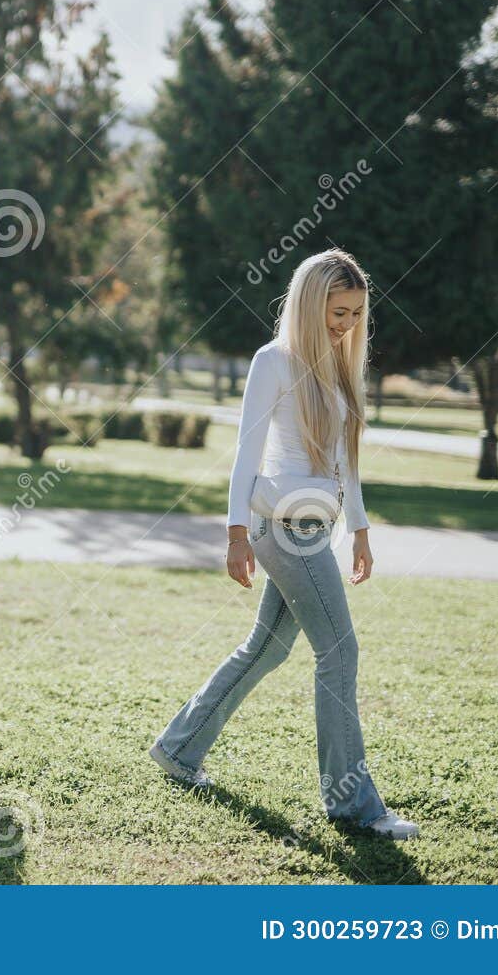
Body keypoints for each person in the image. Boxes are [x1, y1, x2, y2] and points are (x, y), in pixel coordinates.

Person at [150, 249, 419, 840]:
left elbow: (348, 458)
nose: (346, 324)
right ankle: (352, 803)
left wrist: (362, 530)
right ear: (307, 302)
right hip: (282, 530)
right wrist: (235, 534)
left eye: (354, 314)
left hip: (316, 527)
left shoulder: (342, 365)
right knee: (340, 652)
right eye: (336, 311)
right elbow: (246, 452)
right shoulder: (274, 361)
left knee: (267, 649)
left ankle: (178, 748)